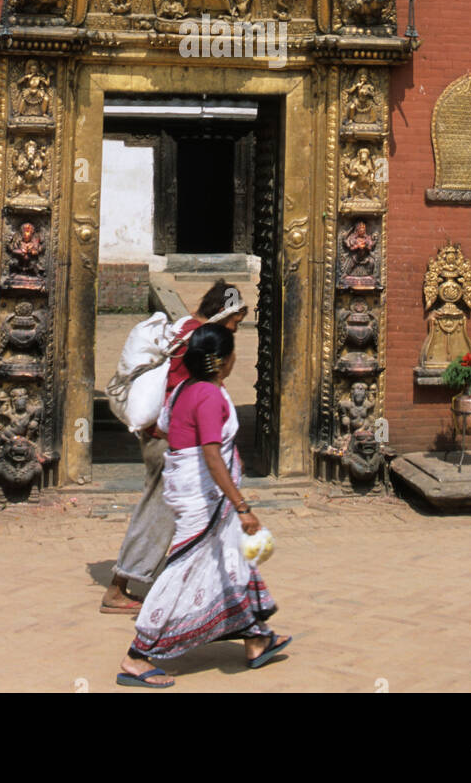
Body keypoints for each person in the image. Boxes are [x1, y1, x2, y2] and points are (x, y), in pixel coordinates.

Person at [116, 323, 291, 686]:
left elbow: (165, 429)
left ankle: (256, 638)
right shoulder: (209, 397)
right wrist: (241, 506)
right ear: (224, 360)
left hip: (190, 490)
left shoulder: (182, 390)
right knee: (183, 570)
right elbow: (211, 456)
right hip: (204, 498)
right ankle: (138, 655)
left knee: (231, 560)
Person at [100, 281, 248, 613]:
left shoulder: (184, 326)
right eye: (234, 325)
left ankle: (188, 585)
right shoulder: (195, 340)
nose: (232, 333)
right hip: (166, 440)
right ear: (224, 315)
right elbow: (179, 393)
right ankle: (120, 585)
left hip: (163, 435)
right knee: (160, 510)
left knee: (182, 509)